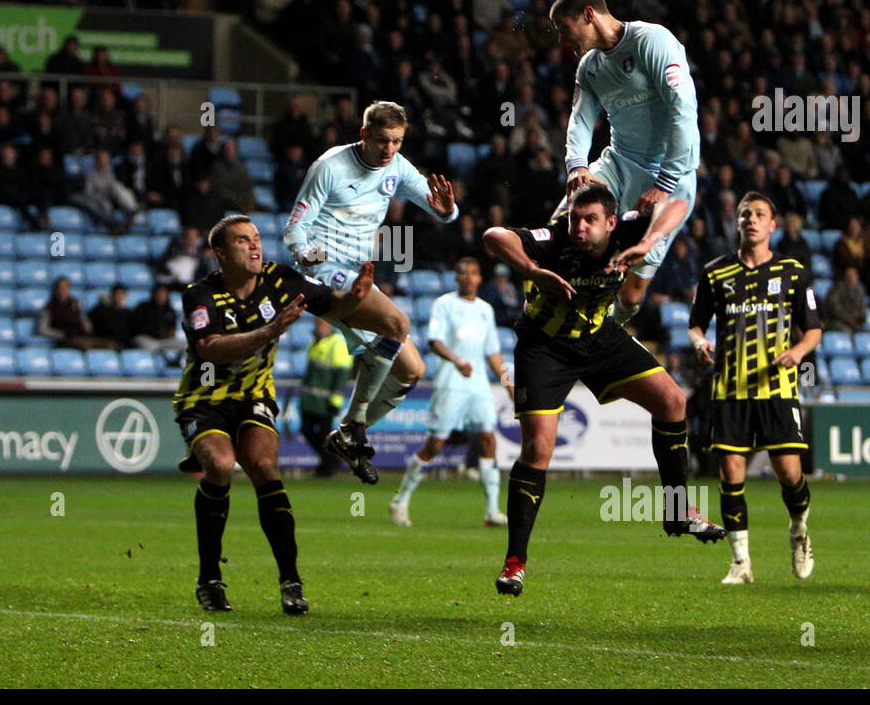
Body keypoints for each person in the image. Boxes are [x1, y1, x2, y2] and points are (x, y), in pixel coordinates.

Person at [482, 183, 724, 597]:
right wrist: (533, 270)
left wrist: (649, 240)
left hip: (599, 337)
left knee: (672, 400)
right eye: (576, 218)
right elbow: (492, 237)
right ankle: (515, 563)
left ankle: (677, 509)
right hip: (545, 347)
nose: (579, 227)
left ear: (611, 223)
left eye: (590, 220)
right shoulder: (554, 239)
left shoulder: (629, 232)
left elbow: (680, 204)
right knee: (538, 449)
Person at [173, 215, 381, 614]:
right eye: (241, 241)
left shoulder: (281, 279)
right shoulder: (199, 294)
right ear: (219, 253)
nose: (254, 247)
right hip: (204, 398)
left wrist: (354, 297)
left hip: (254, 394)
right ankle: (209, 579)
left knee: (265, 467)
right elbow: (211, 349)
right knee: (219, 465)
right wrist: (270, 331)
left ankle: (291, 582)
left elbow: (332, 306)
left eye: (256, 239)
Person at [283, 100, 458, 484]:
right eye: (381, 140)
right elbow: (294, 229)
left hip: (359, 276)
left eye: (396, 141)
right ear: (364, 135)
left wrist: (447, 211)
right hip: (323, 273)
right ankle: (357, 426)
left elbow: (438, 208)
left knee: (413, 370)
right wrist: (308, 253)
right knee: (398, 322)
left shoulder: (396, 167)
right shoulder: (329, 167)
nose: (389, 150)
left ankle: (346, 434)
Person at [688, 191, 824, 585]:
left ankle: (799, 529)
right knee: (730, 473)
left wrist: (798, 352)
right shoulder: (716, 272)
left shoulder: (793, 272)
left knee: (789, 474)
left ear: (772, 225)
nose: (751, 219)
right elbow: (695, 324)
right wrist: (699, 343)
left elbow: (814, 328)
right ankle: (740, 562)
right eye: (745, 214)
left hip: (777, 389)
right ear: (737, 222)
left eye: (760, 214)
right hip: (730, 390)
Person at [553, 0, 700, 328]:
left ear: (589, 14)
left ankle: (610, 333)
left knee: (632, 293)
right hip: (619, 162)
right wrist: (576, 164)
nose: (563, 41)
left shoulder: (652, 41)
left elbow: (683, 112)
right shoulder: (589, 67)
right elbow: (581, 120)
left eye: (565, 29)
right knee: (565, 221)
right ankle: (551, 319)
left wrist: (665, 183)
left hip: (671, 174)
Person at [390, 257, 513, 527]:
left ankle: (492, 510)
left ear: (480, 278)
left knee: (488, 439)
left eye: (472, 273)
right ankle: (401, 499)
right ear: (456, 278)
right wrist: (457, 361)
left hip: (478, 386)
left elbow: (492, 351)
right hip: (451, 383)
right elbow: (435, 341)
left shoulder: (485, 310)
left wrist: (508, 383)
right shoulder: (444, 304)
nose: (468, 277)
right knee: (435, 443)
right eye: (462, 273)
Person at [297, 317, 352, 477]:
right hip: (309, 399)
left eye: (322, 323)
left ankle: (328, 465)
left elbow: (342, 374)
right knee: (307, 431)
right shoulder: (314, 341)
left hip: (325, 401)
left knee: (324, 434)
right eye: (317, 323)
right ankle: (329, 461)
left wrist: (335, 399)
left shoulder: (337, 343)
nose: (318, 326)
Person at [88, 285, 134, 349]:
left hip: (123, 342)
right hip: (106, 341)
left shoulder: (128, 313)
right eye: (117, 294)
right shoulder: (101, 310)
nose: (119, 297)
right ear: (112, 295)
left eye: (122, 294)